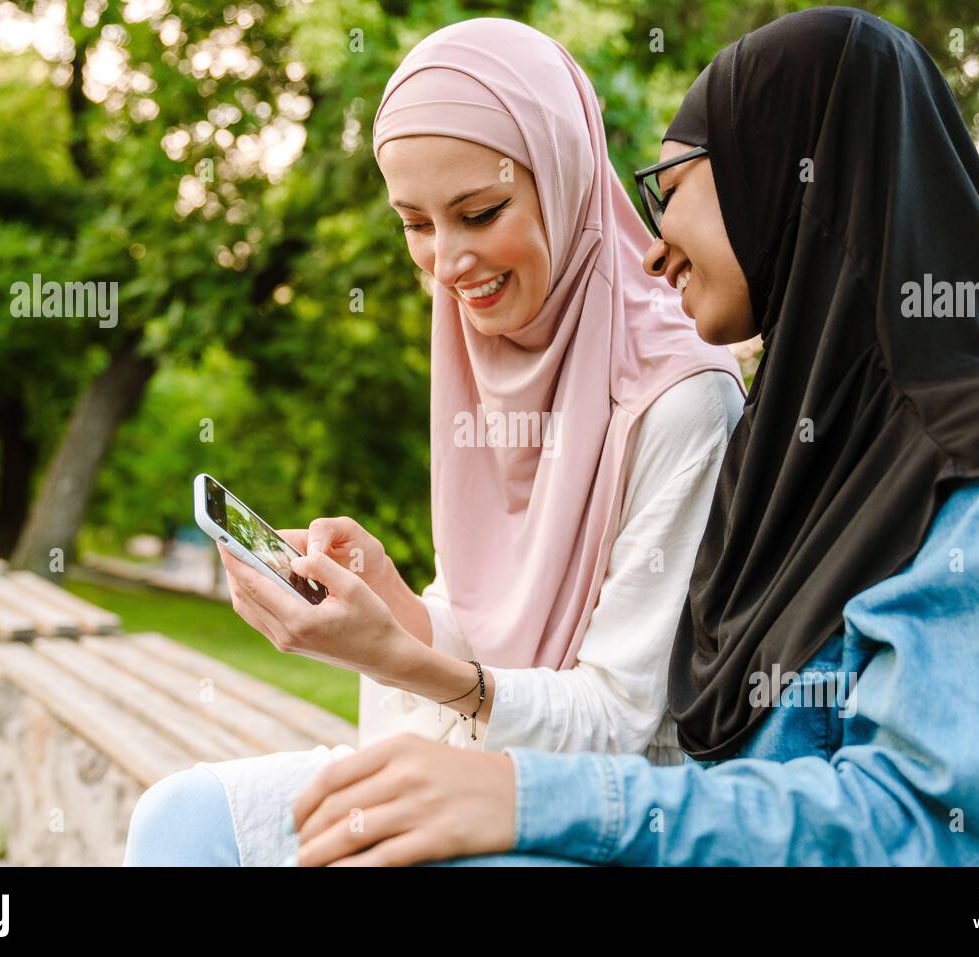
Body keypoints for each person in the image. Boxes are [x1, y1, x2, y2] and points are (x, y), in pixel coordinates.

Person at [277, 6, 979, 867]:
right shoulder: (810, 447)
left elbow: (920, 826)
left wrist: (527, 796)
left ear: (783, 174)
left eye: (671, 188)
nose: (652, 250)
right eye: (416, 223)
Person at [122, 17, 746, 867]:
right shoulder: (485, 342)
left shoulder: (682, 400)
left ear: (562, 180)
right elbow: (498, 622)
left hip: (600, 816)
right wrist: (394, 607)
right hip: (467, 760)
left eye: (479, 212)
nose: (448, 264)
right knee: (179, 821)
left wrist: (396, 657)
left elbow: (615, 720)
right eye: (416, 223)